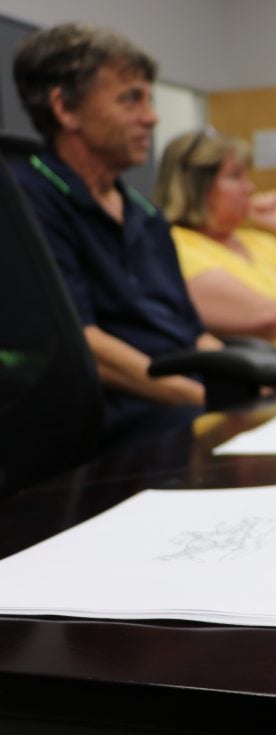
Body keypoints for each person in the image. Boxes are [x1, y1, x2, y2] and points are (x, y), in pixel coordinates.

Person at [10, 23, 221, 443]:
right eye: (131, 99)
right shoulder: (26, 202)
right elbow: (79, 345)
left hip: (186, 405)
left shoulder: (146, 215)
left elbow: (193, 332)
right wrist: (201, 396)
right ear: (66, 109)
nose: (152, 116)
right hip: (123, 423)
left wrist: (247, 384)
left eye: (150, 98)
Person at [155, 129, 276, 386]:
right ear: (197, 186)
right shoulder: (174, 245)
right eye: (235, 177)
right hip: (269, 392)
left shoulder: (261, 242)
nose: (250, 187)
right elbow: (266, 317)